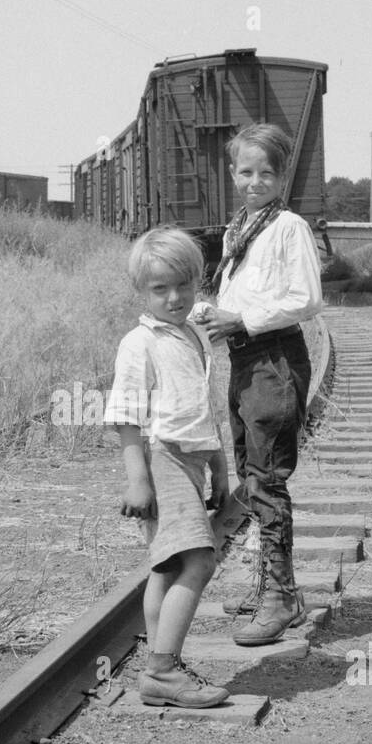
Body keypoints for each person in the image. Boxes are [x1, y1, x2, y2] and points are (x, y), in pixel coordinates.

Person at [197, 123, 325, 646]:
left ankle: (281, 597)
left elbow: (306, 299)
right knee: (254, 474)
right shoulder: (239, 229)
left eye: (266, 173)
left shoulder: (288, 226)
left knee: (268, 479)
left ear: (281, 177)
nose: (255, 181)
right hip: (244, 359)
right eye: (246, 172)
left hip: (272, 358)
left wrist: (242, 321)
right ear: (233, 174)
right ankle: (272, 584)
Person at [105, 228, 232, 708]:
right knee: (199, 561)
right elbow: (126, 418)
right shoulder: (140, 343)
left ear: (197, 281)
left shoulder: (194, 336)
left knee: (167, 567)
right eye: (161, 289)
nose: (174, 297)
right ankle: (163, 670)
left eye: (183, 285)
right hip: (164, 458)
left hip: (192, 459)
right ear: (143, 290)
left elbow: (201, 411)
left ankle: (158, 667)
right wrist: (138, 479)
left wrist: (220, 468)